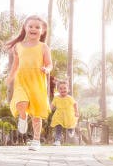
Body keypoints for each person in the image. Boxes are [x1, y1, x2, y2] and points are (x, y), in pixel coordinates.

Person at [5, 15, 52, 150]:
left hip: (37, 82)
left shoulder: (44, 47)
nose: (33, 29)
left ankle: (36, 141)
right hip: (22, 81)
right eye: (30, 26)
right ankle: (23, 117)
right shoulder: (18, 47)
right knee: (21, 102)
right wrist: (9, 78)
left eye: (37, 27)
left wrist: (46, 69)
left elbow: (50, 64)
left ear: (42, 31)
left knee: (37, 115)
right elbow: (15, 65)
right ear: (25, 28)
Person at [50, 80, 79, 146]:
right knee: (58, 128)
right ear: (58, 90)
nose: (63, 90)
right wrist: (49, 110)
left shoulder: (70, 98)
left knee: (70, 125)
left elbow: (75, 104)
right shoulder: (56, 98)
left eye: (65, 88)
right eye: (60, 88)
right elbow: (52, 105)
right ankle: (57, 140)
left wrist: (76, 112)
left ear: (68, 89)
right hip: (59, 115)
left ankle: (71, 129)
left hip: (68, 115)